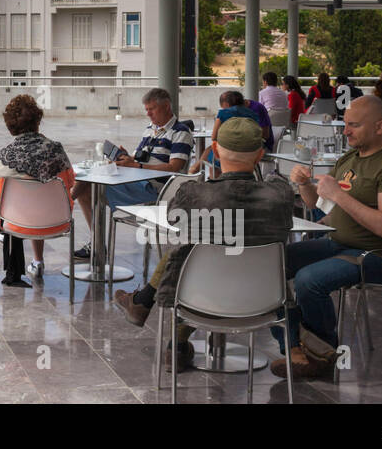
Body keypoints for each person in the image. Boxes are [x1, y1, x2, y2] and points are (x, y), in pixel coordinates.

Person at [113, 117, 293, 370]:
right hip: (264, 302)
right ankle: (165, 332)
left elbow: (173, 218)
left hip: (199, 300)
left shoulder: (194, 193)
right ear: (260, 154)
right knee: (209, 245)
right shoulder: (281, 194)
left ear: (216, 150)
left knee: (186, 246)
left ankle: (168, 336)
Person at [271, 95, 382, 379]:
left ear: (379, 127)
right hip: (338, 242)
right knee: (270, 262)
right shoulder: (350, 158)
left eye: (353, 125)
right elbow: (317, 204)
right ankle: (295, 347)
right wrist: (303, 184)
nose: (345, 130)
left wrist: (339, 194)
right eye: (346, 124)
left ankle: (322, 355)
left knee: (309, 280)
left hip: (379, 256)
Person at [0, 94, 75, 287]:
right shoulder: (56, 151)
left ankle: (15, 266)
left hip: (15, 225)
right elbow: (70, 183)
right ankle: (38, 261)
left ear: (10, 125)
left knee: (3, 208)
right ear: (38, 120)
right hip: (57, 223)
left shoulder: (3, 158)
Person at [90, 89, 193, 251]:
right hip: (138, 181)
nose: (148, 114)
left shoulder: (180, 132)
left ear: (166, 106)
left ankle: (96, 246)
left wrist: (137, 166)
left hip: (157, 190)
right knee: (89, 186)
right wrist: (127, 158)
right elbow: (138, 158)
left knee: (92, 189)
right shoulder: (150, 129)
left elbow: (174, 167)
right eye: (146, 109)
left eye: (152, 109)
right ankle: (95, 244)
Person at [189, 90, 270, 174]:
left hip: (228, 154)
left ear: (226, 104)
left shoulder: (224, 113)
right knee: (210, 150)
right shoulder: (253, 114)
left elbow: (214, 137)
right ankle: (195, 168)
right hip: (250, 153)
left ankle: (203, 174)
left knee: (212, 150)